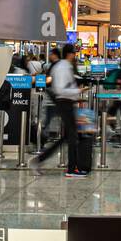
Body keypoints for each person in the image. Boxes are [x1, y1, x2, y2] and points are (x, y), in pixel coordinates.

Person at [33, 45, 86, 177]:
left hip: (66, 103)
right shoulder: (63, 67)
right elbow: (61, 90)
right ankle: (71, 169)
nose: (75, 56)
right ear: (70, 54)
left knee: (68, 136)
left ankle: (39, 160)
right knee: (72, 136)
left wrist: (77, 96)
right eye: (74, 54)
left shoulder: (64, 66)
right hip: (64, 104)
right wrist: (78, 91)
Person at [102, 55, 121, 138]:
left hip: (120, 95)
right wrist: (118, 92)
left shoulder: (119, 71)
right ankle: (108, 128)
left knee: (113, 110)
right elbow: (119, 83)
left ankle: (107, 127)